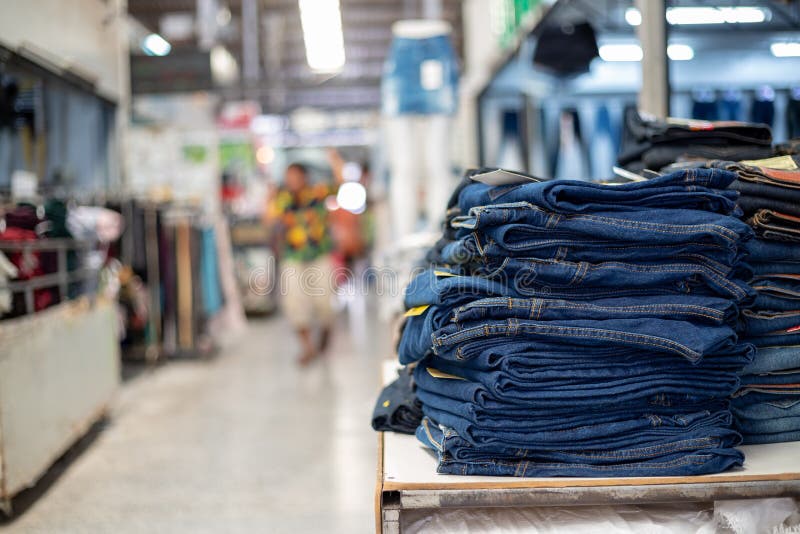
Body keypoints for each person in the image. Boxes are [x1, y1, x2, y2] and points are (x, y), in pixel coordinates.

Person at [264, 162, 337, 365]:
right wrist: (268, 198)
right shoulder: (282, 199)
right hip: (292, 258)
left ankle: (326, 331)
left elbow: (340, 183)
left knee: (325, 303)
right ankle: (307, 347)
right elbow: (268, 222)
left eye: (295, 176)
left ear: (304, 177)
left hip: (319, 255)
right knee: (294, 304)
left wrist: (334, 158)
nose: (292, 180)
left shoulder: (317, 193)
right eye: (289, 176)